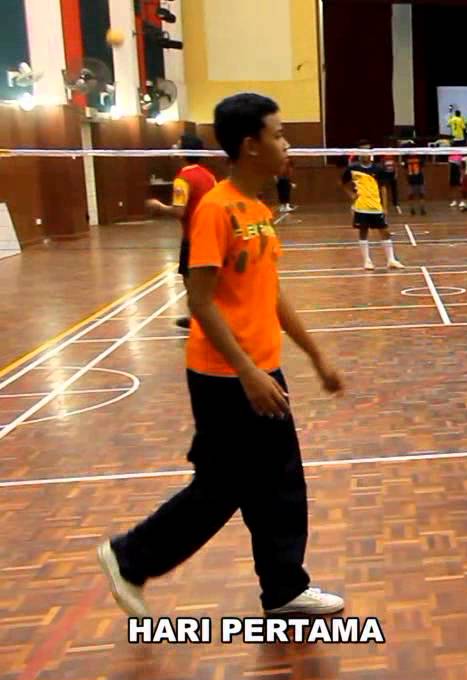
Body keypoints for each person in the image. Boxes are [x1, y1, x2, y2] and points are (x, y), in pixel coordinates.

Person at [96, 92, 346, 617]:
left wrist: (315, 355)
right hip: (225, 378)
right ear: (250, 144)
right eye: (278, 133)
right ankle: (130, 557)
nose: (286, 143)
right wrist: (248, 372)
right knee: (224, 488)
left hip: (259, 370)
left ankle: (284, 589)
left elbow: (271, 293)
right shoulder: (214, 211)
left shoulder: (258, 209)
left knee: (275, 482)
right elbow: (201, 303)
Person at [145, 133, 217, 330]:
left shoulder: (182, 179)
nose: (173, 147)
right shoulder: (209, 176)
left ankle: (202, 320)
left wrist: (158, 206)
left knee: (191, 282)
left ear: (184, 152)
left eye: (177, 145)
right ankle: (197, 317)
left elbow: (179, 211)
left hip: (193, 237)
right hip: (211, 235)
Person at [342, 142, 404, 271]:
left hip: (376, 206)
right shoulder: (353, 168)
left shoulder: (378, 169)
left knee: (385, 232)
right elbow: (342, 182)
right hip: (361, 206)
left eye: (368, 152)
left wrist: (385, 206)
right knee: (363, 232)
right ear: (359, 154)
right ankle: (367, 261)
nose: (366, 154)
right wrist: (351, 195)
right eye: (363, 152)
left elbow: (383, 188)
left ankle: (391, 260)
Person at [403, 143, 426, 216]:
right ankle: (416, 210)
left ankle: (418, 209)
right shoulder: (417, 158)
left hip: (416, 179)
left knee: (418, 195)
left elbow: (405, 169)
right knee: (415, 195)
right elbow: (406, 169)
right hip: (414, 179)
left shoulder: (408, 159)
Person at [380, 149, 401, 215]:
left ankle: (396, 205)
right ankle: (383, 205)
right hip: (386, 175)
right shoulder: (383, 159)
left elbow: (395, 166)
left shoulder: (393, 158)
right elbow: (381, 167)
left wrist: (396, 174)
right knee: (384, 190)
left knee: (394, 191)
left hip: (392, 175)